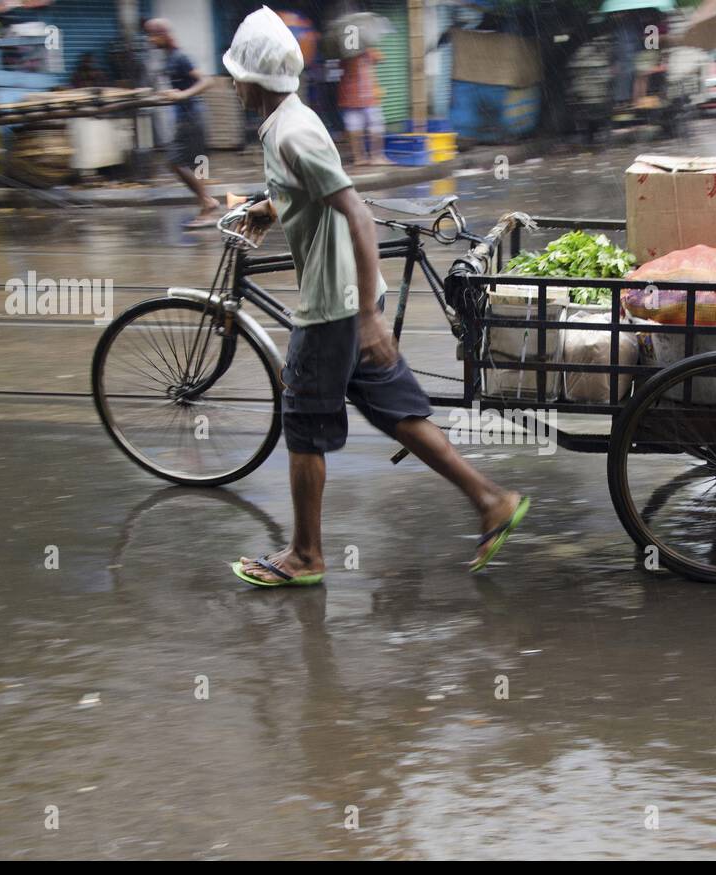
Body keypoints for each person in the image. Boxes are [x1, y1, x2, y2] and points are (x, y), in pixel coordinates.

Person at [220, 7, 528, 588]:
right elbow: (313, 192)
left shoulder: (291, 132)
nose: (233, 83)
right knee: (398, 414)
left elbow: (357, 215)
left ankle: (305, 556)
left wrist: (367, 319)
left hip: (335, 309)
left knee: (304, 423)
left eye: (237, 73)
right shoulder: (288, 122)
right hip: (348, 305)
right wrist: (270, 207)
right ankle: (492, 501)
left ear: (255, 79)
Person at [143, 18, 221, 228]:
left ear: (162, 35)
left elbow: (207, 80)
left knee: (174, 162)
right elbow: (177, 88)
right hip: (190, 116)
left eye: (152, 35)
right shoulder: (169, 57)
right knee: (198, 164)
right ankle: (206, 210)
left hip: (190, 117)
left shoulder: (179, 57)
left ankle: (208, 201)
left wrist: (182, 95)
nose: (150, 40)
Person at [337, 47, 390, 165]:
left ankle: (359, 158)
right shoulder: (365, 48)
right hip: (367, 95)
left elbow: (341, 66)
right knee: (375, 126)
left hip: (349, 96)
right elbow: (380, 57)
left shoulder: (343, 50)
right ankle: (376, 157)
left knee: (354, 127)